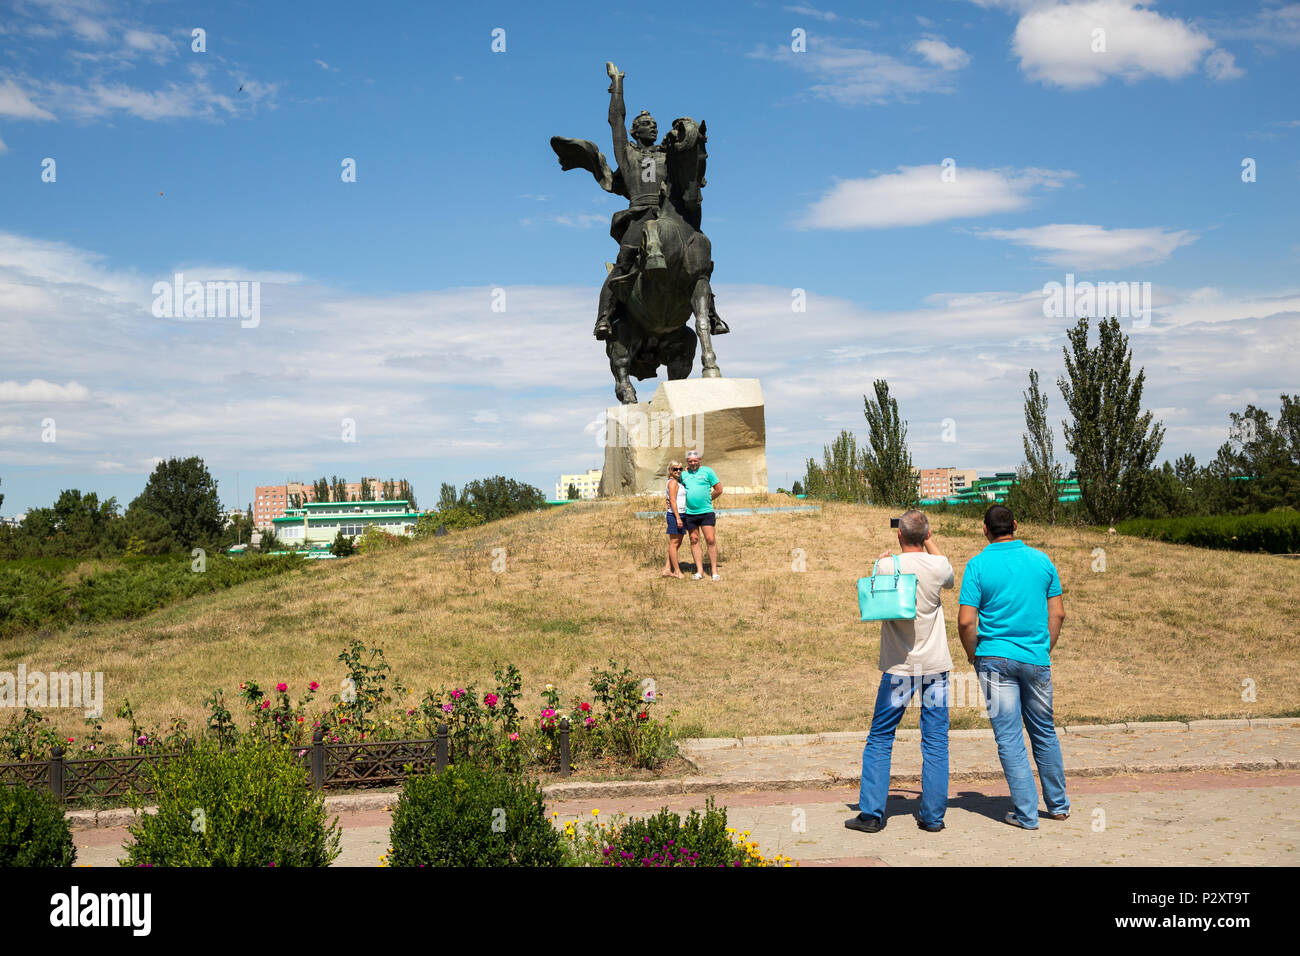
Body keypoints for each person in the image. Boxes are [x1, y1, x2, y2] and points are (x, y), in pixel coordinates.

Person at [957, 504, 1069, 830]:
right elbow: (1058, 614)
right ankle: (1059, 806)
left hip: (994, 659)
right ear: (1015, 525)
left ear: (984, 529)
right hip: (1036, 658)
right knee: (1044, 732)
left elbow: (966, 621)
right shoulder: (1042, 561)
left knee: (1009, 739)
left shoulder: (977, 565)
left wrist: (972, 654)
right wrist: (1044, 648)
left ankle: (1026, 814)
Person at [846, 510, 955, 834]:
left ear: (898, 535)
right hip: (935, 665)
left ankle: (871, 814)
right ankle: (933, 817)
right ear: (926, 535)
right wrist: (928, 538)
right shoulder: (938, 567)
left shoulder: (887, 565)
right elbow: (946, 569)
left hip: (899, 667)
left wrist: (885, 557)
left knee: (880, 737)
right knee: (935, 741)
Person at [678, 449, 721, 580]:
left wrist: (708, 499)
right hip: (690, 513)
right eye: (690, 461)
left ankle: (714, 571)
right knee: (694, 540)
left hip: (706, 512)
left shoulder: (708, 471)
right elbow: (676, 488)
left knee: (710, 539)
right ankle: (699, 571)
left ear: (699, 460)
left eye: (695, 461)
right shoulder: (683, 474)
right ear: (687, 462)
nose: (693, 463)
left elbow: (719, 489)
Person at [662, 461, 686, 578]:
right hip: (675, 515)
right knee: (674, 543)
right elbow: (672, 500)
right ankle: (676, 571)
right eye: (675, 469)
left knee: (677, 543)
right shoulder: (672, 483)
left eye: (680, 469)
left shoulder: (677, 481)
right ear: (670, 470)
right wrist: (678, 518)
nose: (678, 471)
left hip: (681, 514)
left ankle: (667, 568)